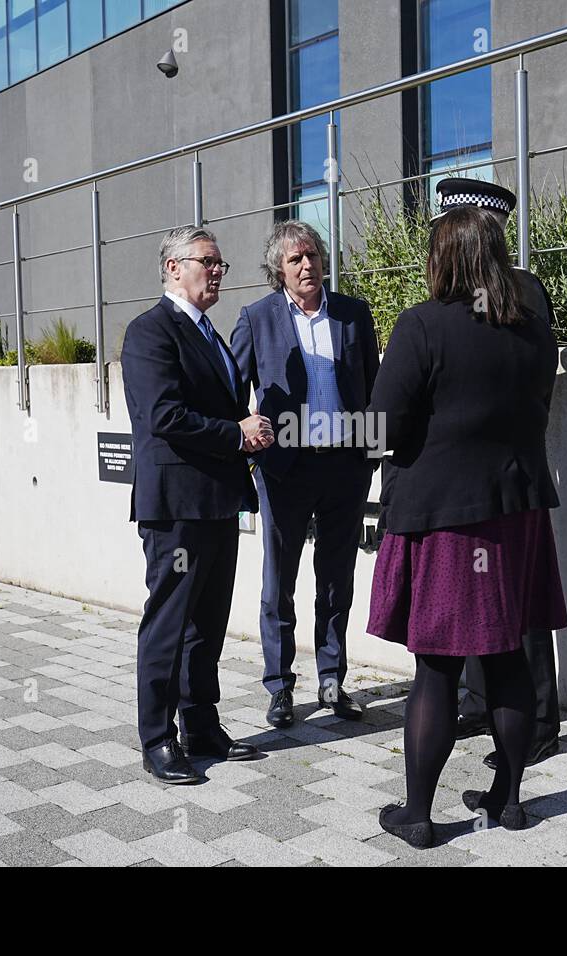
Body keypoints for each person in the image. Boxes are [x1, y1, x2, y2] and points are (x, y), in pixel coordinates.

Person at [367, 205, 567, 847]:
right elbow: (539, 407)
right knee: (507, 653)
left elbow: (384, 428)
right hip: (517, 512)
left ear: (443, 258)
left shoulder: (422, 325)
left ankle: (419, 817)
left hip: (449, 518)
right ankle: (508, 804)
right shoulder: (533, 329)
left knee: (436, 667)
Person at [121, 225, 273, 784]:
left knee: (206, 624)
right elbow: (162, 416)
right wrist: (237, 433)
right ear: (173, 268)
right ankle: (157, 739)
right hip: (177, 505)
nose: (216, 272)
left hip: (217, 502)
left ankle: (201, 726)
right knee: (168, 622)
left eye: (219, 264)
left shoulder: (208, 332)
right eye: (207, 261)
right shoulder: (150, 332)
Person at [432, 176, 565, 771]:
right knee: (484, 600)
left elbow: (527, 385)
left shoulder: (524, 291)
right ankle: (483, 704)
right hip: (482, 477)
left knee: (525, 610)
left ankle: (538, 723)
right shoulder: (469, 292)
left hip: (511, 475)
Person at [230, 221, 381, 729]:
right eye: (295, 259)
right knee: (280, 582)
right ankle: (280, 687)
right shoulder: (256, 319)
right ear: (279, 269)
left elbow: (374, 388)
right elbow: (231, 392)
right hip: (284, 471)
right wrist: (248, 446)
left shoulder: (354, 314)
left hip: (344, 466)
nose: (307, 265)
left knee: (336, 578)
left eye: (313, 255)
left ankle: (332, 678)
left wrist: (372, 455)